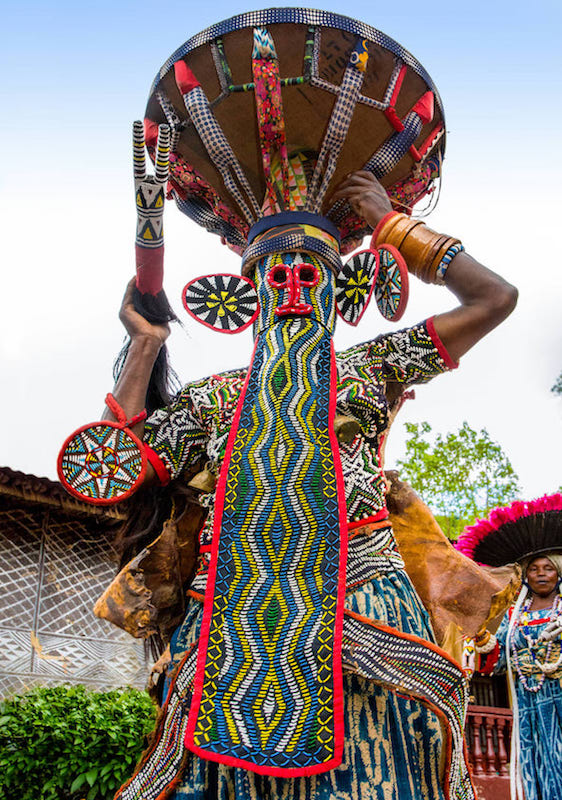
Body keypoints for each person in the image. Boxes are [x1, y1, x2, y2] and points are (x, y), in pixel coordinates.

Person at [99, 168, 517, 800]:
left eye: (310, 272)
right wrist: (145, 345)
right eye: (276, 274)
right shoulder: (211, 399)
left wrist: (395, 227)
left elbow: (495, 299)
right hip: (229, 619)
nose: (293, 284)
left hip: (365, 602)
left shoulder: (372, 368)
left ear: (339, 287)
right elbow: (108, 467)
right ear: (242, 296)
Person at [458, 496, 562, 800]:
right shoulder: (515, 616)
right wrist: (482, 641)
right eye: (534, 569)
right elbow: (500, 659)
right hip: (528, 705)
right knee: (535, 768)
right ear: (525, 575)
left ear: (559, 571)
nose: (541, 573)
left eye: (548, 568)